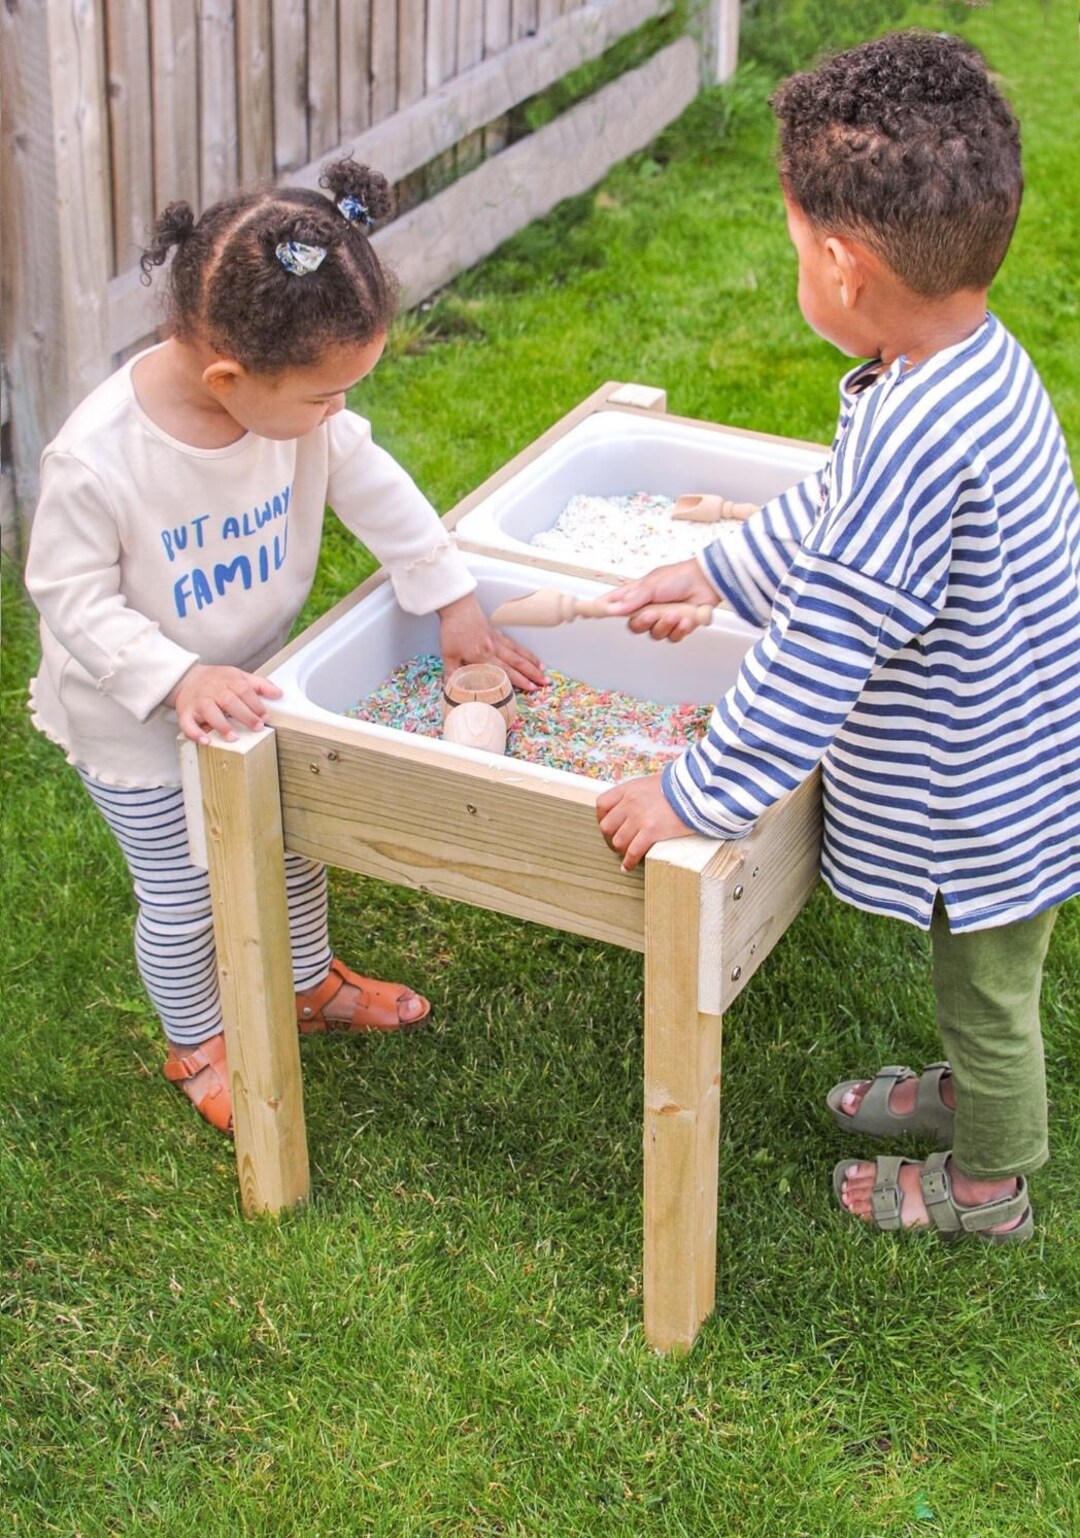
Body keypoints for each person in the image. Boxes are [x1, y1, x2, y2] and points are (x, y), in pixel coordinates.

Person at [595, 31, 1080, 1242]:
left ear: (844, 264)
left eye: (793, 246)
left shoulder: (920, 429)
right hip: (1017, 751)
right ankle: (974, 1094)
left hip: (989, 795)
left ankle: (988, 1183)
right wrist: (714, 569)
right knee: (986, 982)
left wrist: (694, 791)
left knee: (989, 990)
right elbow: (828, 513)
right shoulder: (958, 359)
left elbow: (822, 647)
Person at [25, 158, 543, 1136]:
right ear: (228, 378)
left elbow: (375, 484)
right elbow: (67, 595)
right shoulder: (99, 458)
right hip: (137, 721)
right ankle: (199, 1040)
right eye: (324, 395)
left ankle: (306, 982)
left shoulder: (296, 412)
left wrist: (451, 595)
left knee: (295, 845)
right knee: (185, 893)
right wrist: (175, 675)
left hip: (263, 682)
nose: (338, 413)